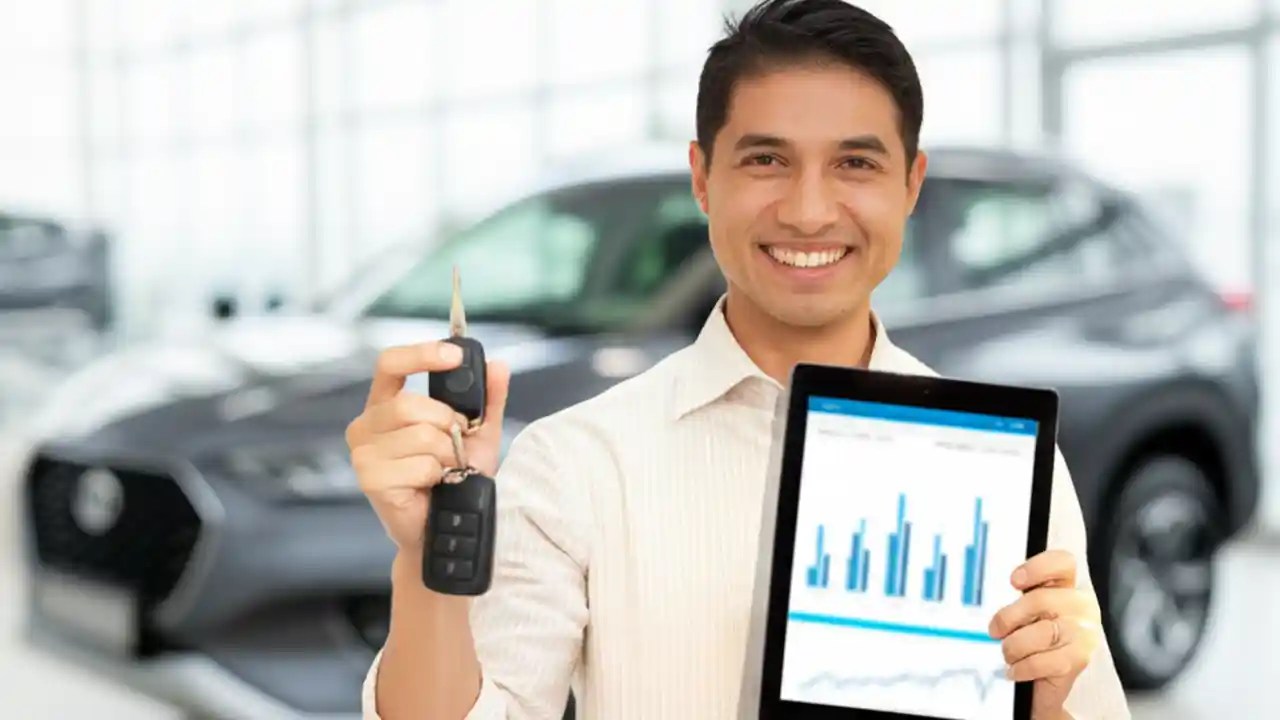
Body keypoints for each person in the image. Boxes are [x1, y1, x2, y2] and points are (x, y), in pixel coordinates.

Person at [345, 0, 1132, 718]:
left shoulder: (1003, 464)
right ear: (702, 179)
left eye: (855, 163)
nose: (809, 210)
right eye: (767, 161)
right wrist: (425, 562)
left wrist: (1050, 705)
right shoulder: (578, 462)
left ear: (911, 185)